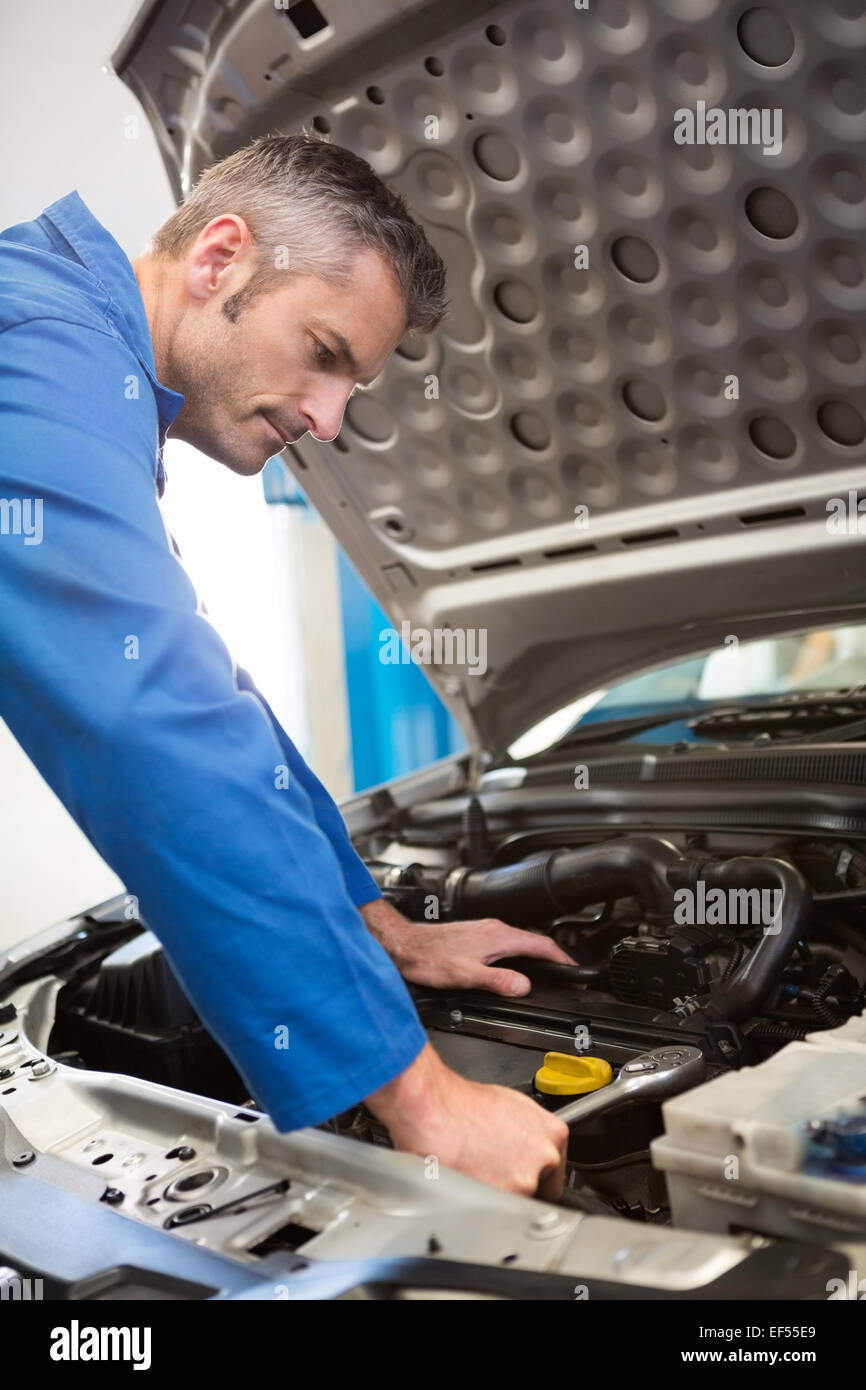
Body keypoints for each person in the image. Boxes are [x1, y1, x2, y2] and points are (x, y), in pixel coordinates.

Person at [0, 132, 569, 1198]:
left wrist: (381, 927)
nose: (325, 417)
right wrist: (422, 1101)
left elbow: (203, 687)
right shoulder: (35, 348)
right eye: (323, 351)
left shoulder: (73, 354)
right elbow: (156, 729)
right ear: (220, 259)